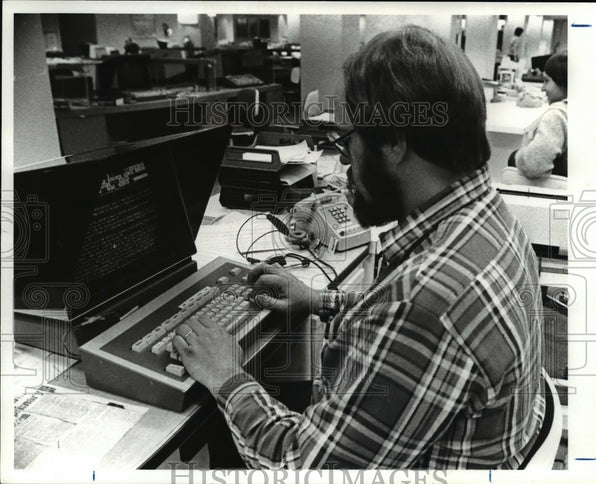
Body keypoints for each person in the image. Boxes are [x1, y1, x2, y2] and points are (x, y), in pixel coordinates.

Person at [173, 26, 546, 469]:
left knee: (236, 413)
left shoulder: (429, 300)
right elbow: (401, 314)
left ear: (393, 143)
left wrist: (226, 375)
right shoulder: (488, 218)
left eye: (348, 140)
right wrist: (319, 300)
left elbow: (302, 467)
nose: (346, 163)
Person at [509, 53, 568, 178]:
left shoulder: (556, 115)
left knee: (512, 158)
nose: (543, 88)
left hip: (561, 191)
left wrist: (519, 156)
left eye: (547, 81)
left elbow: (533, 165)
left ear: (563, 81)